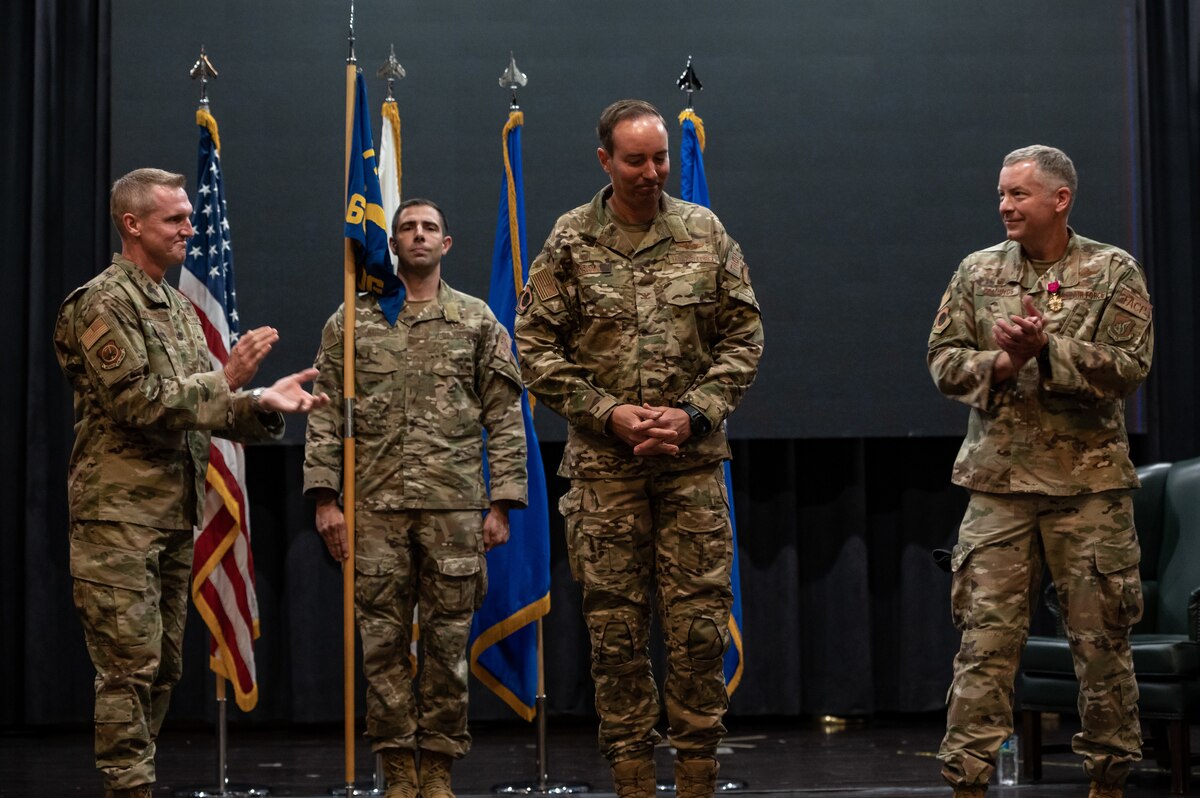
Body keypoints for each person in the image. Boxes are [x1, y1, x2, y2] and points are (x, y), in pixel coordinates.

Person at [514, 99, 763, 798]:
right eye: (635, 160)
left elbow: (743, 337)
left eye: (659, 159)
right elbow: (533, 345)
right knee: (615, 637)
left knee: (697, 633)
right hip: (604, 473)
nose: (652, 172)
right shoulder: (569, 241)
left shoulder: (703, 232)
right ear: (605, 161)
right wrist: (607, 412)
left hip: (691, 466)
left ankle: (697, 777)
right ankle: (630, 779)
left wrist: (694, 414)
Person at [53, 167, 327, 798]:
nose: (188, 227)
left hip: (175, 513)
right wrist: (228, 378)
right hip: (116, 518)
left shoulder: (176, 308)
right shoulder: (100, 303)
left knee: (162, 670)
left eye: (187, 215)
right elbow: (141, 404)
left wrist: (262, 400)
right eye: (174, 218)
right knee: (128, 670)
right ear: (132, 224)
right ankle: (129, 789)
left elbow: (202, 405)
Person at [929, 145, 1153, 798]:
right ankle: (967, 785)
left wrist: (1047, 349)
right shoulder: (977, 272)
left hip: (1088, 494)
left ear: (1061, 199)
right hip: (998, 491)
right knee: (982, 654)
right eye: (1001, 193)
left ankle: (1108, 785)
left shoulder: (1112, 270)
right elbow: (943, 361)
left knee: (1103, 655)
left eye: (1019, 194)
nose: (1004, 205)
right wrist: (999, 365)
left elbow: (1129, 367)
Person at [304, 198, 527, 798]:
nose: (419, 236)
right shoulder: (351, 323)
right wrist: (326, 500)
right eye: (407, 228)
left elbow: (506, 418)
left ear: (446, 244)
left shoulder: (478, 321)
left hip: (455, 510)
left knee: (447, 647)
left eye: (430, 228)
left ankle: (438, 769)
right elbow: (324, 419)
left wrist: (502, 503)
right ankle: (397, 768)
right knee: (381, 647)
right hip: (374, 509)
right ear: (393, 243)